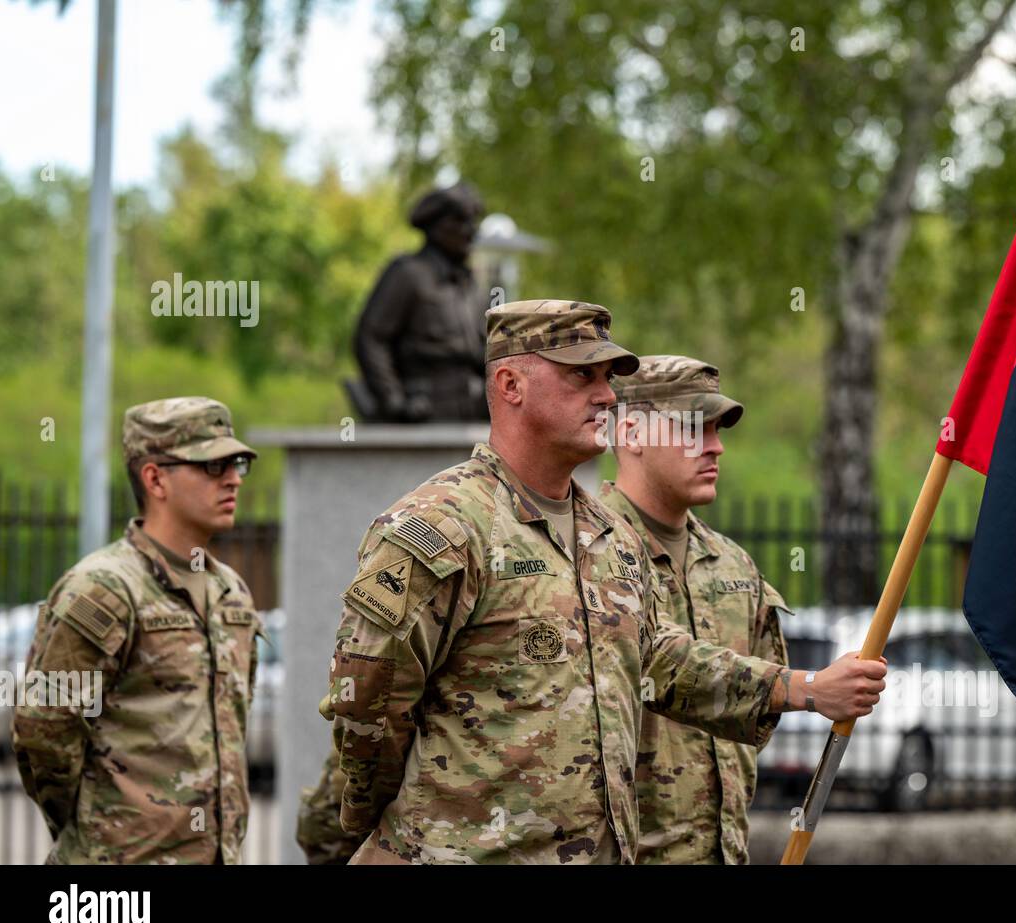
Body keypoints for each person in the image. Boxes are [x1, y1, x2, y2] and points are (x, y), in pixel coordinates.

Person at [321, 299, 887, 864]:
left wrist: (804, 689)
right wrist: (399, 829)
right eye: (582, 375)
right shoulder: (444, 526)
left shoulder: (610, 537)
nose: (608, 396)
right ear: (511, 383)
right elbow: (369, 699)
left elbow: (658, 661)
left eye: (608, 377)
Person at [14, 397, 265, 864]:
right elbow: (44, 732)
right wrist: (94, 827)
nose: (232, 478)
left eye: (237, 464)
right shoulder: (104, 588)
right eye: (212, 466)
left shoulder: (231, 592)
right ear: (155, 478)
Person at [600, 355, 788, 864]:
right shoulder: (585, 553)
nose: (715, 446)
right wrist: (811, 690)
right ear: (633, 433)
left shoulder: (732, 564)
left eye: (717, 429)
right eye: (693, 427)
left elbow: (755, 720)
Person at [351, 181, 490, 422]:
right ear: (436, 227)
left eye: (473, 222)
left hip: (472, 414)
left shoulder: (470, 284)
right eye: (461, 221)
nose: (471, 231)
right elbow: (371, 338)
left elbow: (483, 351)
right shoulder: (407, 274)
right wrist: (394, 401)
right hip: (423, 413)